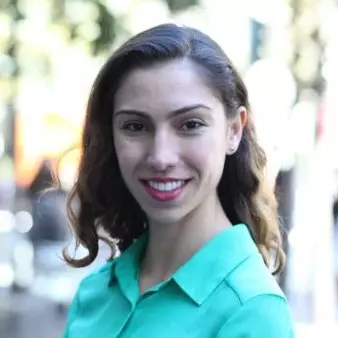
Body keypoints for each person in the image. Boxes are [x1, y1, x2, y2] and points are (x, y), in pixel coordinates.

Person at [63, 23, 295, 337]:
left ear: (234, 130)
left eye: (190, 124)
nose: (161, 157)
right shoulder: (95, 292)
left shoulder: (253, 310)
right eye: (135, 126)